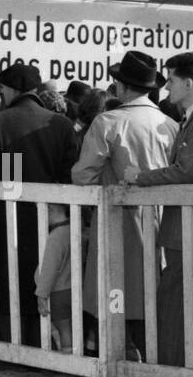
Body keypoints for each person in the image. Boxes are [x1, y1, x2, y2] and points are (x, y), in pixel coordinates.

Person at [123, 52, 193, 377]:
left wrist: (138, 177)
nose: (166, 87)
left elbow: (185, 171)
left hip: (192, 227)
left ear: (187, 82)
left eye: (170, 80)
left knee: (174, 304)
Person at [72, 50, 181, 358]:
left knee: (115, 288)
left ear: (120, 86)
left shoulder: (108, 122)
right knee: (150, 288)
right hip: (161, 218)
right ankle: (153, 359)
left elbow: (83, 175)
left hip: (117, 218)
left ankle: (124, 357)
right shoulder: (170, 124)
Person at [0, 62, 79, 345]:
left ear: (10, 90)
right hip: (53, 220)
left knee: (8, 282)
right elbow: (71, 174)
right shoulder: (61, 124)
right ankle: (47, 345)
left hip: (6, 220)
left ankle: (14, 348)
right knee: (49, 280)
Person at [35, 204, 76, 353]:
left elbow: (49, 268)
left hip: (58, 291)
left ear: (50, 209)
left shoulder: (55, 237)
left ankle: (68, 367)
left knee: (64, 331)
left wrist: (41, 294)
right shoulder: (75, 229)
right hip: (74, 289)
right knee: (73, 329)